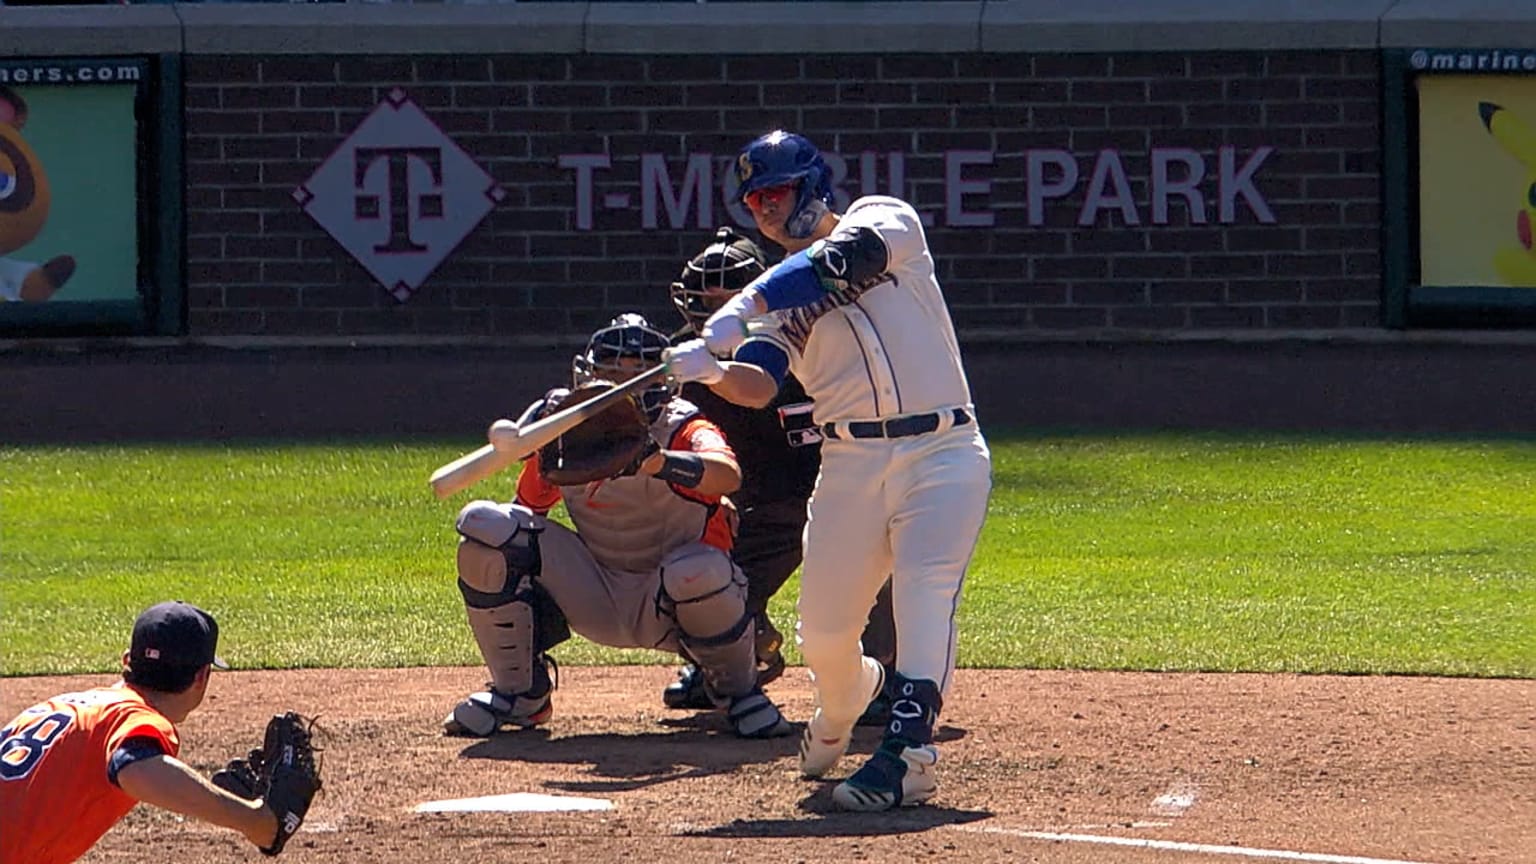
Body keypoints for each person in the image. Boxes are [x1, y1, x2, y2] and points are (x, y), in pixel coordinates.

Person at [664, 130, 993, 811]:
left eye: (776, 192)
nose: (765, 208)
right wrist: (712, 370)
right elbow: (760, 382)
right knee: (826, 632)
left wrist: (743, 307)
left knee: (923, 591)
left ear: (811, 186)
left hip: (943, 451)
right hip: (849, 461)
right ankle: (847, 698)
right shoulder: (776, 300)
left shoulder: (884, 218)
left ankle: (909, 754)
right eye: (755, 199)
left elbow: (840, 263)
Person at [443, 312, 793, 740]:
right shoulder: (565, 434)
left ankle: (738, 693)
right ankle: (520, 693)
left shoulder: (682, 423)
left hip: (675, 603)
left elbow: (727, 475)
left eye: (639, 372)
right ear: (587, 374)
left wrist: (656, 462)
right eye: (611, 370)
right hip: (595, 591)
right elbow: (526, 514)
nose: (624, 382)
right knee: (483, 526)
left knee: (698, 569)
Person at [664, 226, 899, 727]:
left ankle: (887, 676)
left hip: (833, 491)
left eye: (726, 298)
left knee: (885, 541)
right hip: (751, 512)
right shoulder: (685, 364)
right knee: (685, 582)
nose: (713, 310)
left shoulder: (814, 339)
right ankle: (738, 661)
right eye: (705, 298)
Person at [0, 601, 282, 863]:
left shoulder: (63, 707)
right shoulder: (136, 717)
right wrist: (255, 820)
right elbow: (134, 767)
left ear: (127, 661)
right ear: (202, 677)